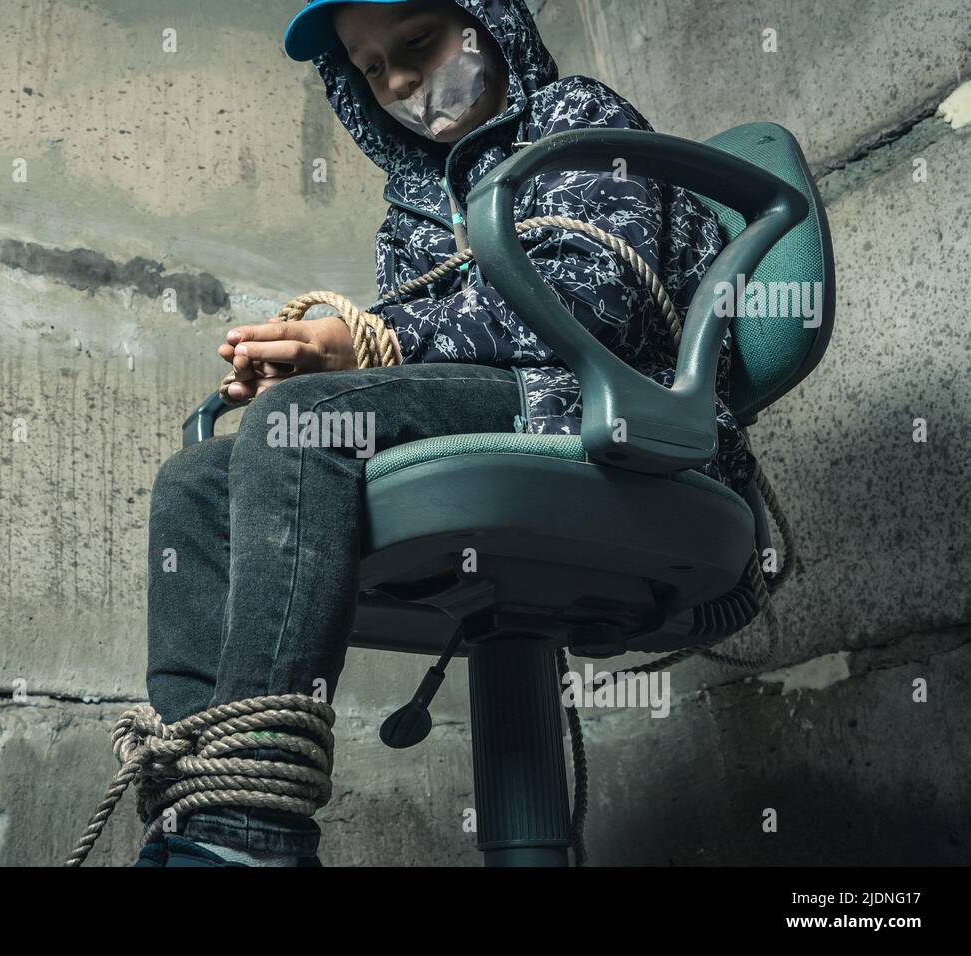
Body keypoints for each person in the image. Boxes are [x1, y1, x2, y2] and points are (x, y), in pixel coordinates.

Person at [136, 0, 751, 867]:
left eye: (418, 42)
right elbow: (419, 364)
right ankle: (195, 817)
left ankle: (253, 832)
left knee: (302, 421)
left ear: (488, 20)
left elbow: (604, 300)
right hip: (491, 406)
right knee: (196, 477)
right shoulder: (417, 207)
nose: (398, 82)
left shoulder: (578, 117)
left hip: (600, 405)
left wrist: (375, 347)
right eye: (371, 67)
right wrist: (318, 362)